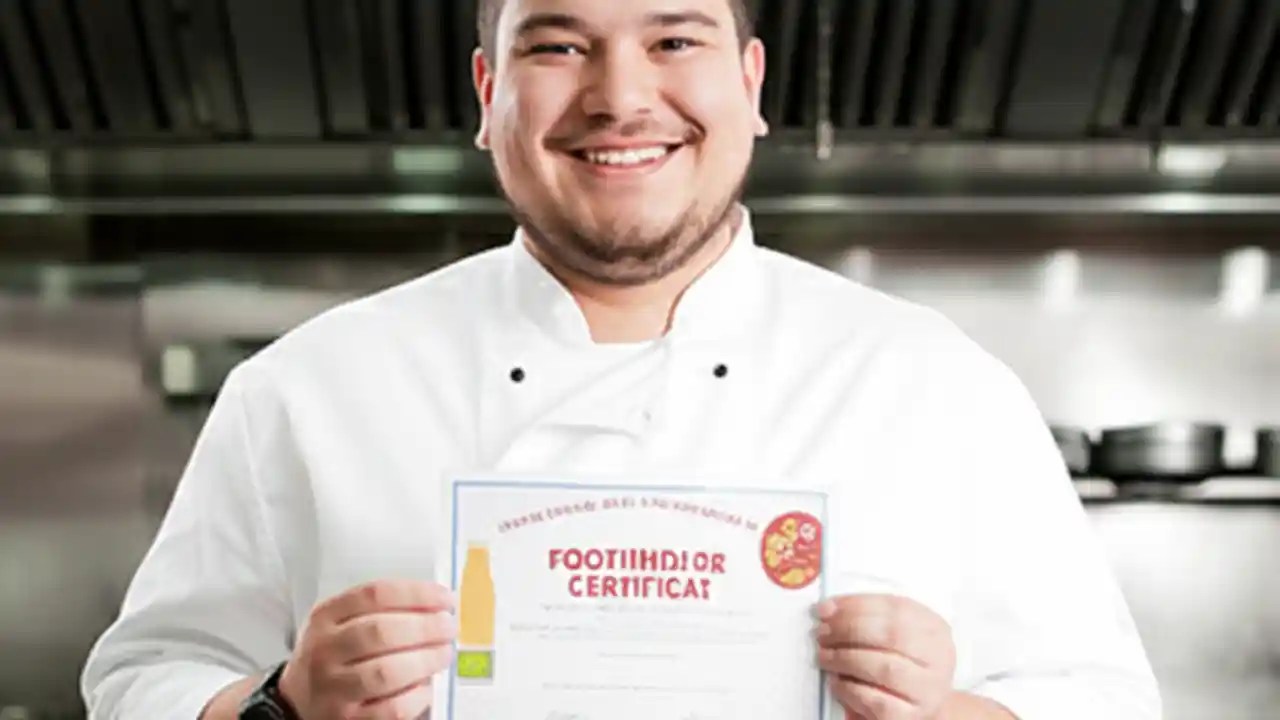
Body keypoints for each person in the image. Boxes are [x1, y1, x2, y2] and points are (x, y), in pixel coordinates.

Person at [82, 0, 1162, 718]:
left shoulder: (934, 386)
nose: (618, 97)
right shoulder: (309, 388)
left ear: (750, 79)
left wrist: (957, 716)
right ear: (484, 93)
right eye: (555, 45)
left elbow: (1105, 702)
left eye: (673, 39)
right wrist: (278, 704)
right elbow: (140, 682)